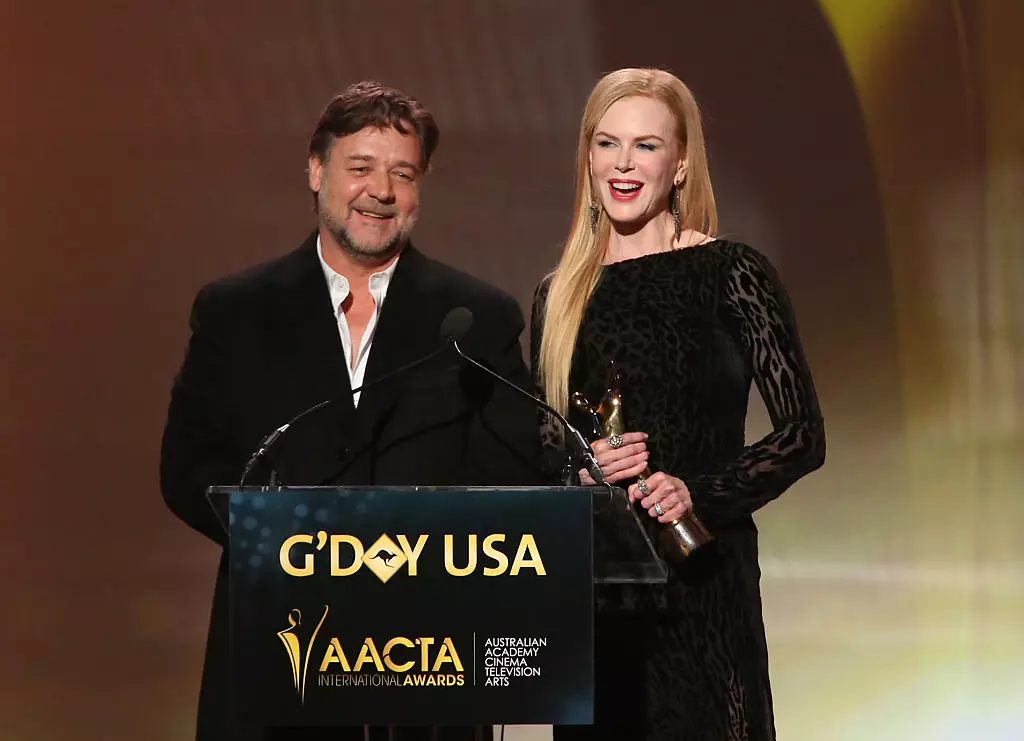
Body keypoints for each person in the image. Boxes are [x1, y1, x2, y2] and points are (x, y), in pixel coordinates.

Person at [160, 81, 541, 741]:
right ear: (316, 171)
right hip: (280, 652)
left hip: (428, 666)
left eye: (402, 173)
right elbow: (186, 467)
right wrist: (290, 543)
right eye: (360, 168)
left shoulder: (477, 319)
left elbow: (519, 474)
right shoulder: (236, 311)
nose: (381, 191)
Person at [530, 68, 826, 740]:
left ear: (682, 164)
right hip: (599, 593)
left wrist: (696, 492)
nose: (624, 164)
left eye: (646, 145)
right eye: (607, 144)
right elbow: (541, 454)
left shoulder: (730, 272)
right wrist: (583, 472)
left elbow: (803, 434)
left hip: (699, 581)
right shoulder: (558, 296)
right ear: (588, 157)